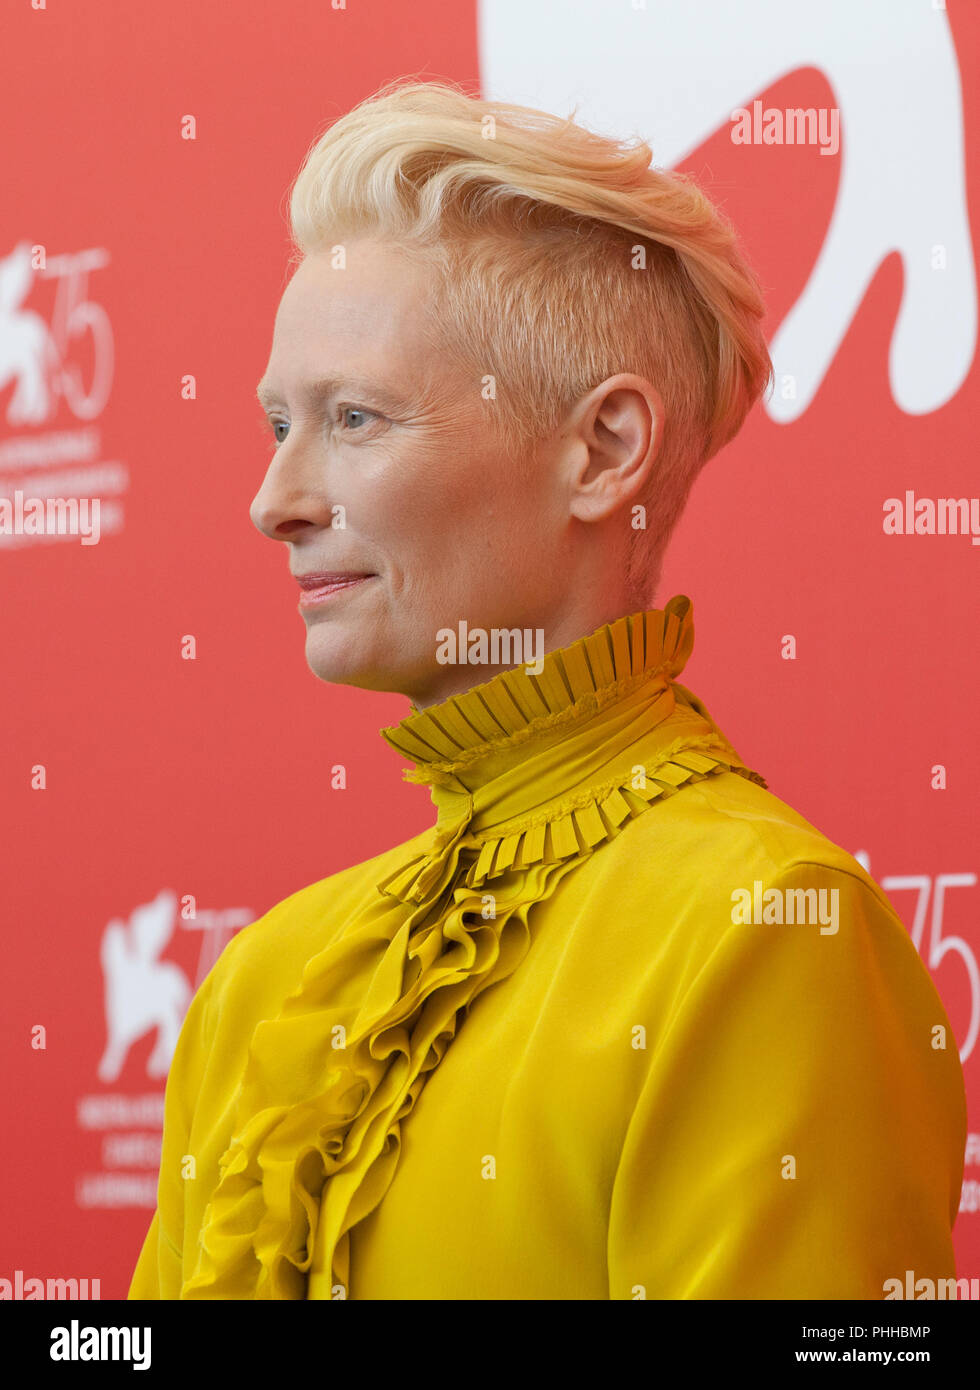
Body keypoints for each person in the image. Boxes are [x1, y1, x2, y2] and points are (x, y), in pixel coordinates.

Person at [128, 78, 966, 1300]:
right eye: (275, 426)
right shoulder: (265, 977)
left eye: (353, 419)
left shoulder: (767, 931)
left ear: (603, 451)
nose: (276, 503)